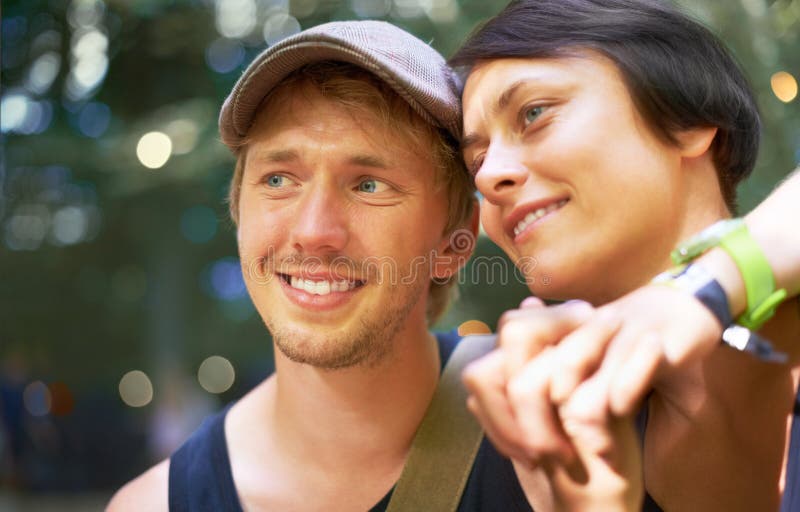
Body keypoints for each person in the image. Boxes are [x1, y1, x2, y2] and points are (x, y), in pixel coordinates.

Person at [108, 19, 629, 512]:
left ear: (454, 241)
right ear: (239, 211)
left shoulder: (570, 430)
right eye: (278, 179)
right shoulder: (156, 504)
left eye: (368, 185)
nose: (313, 231)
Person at [450, 0, 800, 510]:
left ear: (688, 121)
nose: (486, 176)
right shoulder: (553, 437)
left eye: (534, 113)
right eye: (476, 161)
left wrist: (702, 286)